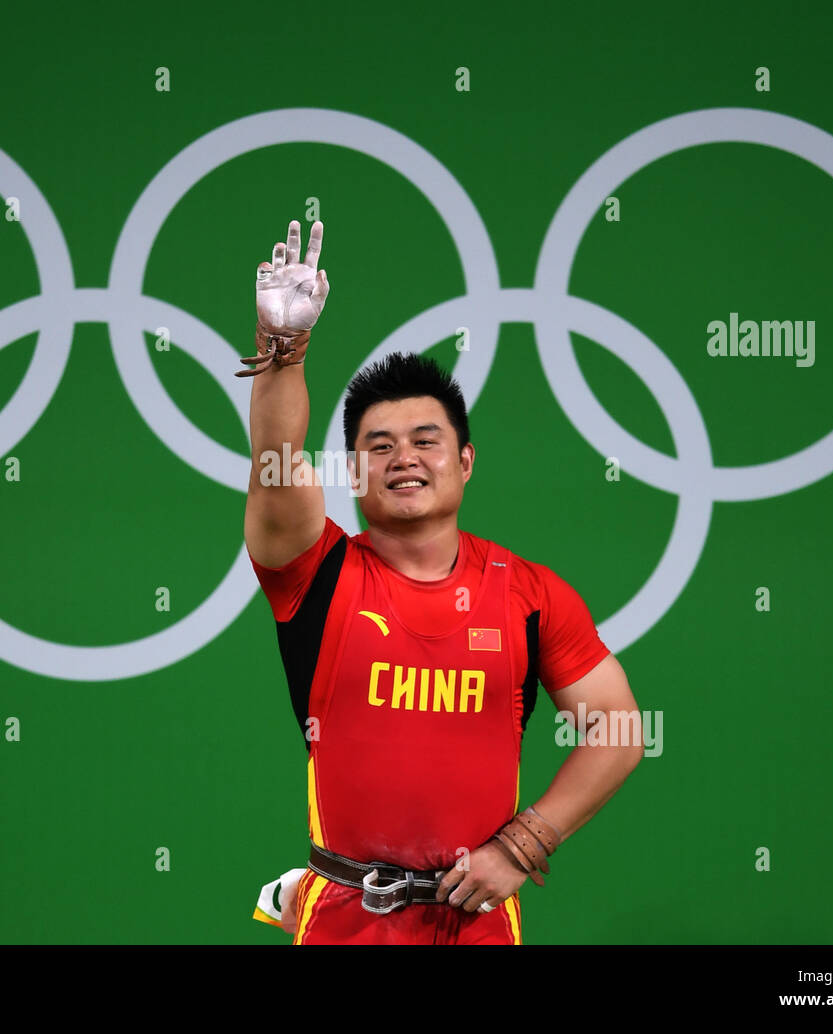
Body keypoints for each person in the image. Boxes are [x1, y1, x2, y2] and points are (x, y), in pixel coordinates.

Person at [242, 219, 643, 945]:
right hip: (342, 920)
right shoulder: (316, 572)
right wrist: (283, 350)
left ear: (465, 462)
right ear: (355, 472)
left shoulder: (530, 594)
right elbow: (275, 452)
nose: (405, 458)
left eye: (427, 441)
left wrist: (525, 844)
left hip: (478, 926)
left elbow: (617, 731)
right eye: (379, 446)